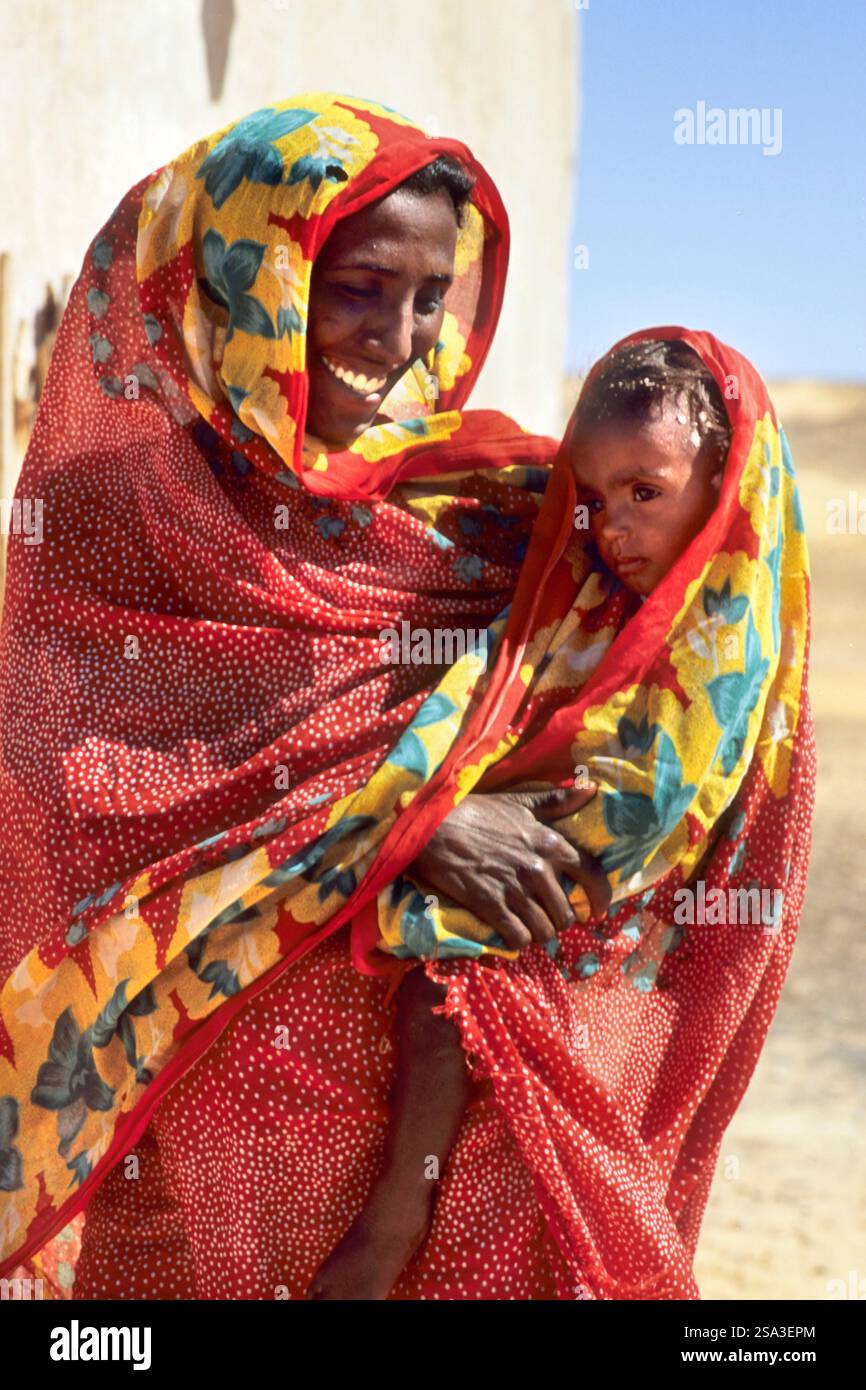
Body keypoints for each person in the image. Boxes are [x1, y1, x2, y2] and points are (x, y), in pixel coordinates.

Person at [0, 94, 815, 1301]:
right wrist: (412, 824)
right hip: (183, 1174)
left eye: (431, 295)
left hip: (454, 1184)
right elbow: (64, 791)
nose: (399, 335)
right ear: (249, 270)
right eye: (358, 286)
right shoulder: (122, 519)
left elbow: (699, 660)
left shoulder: (495, 505)